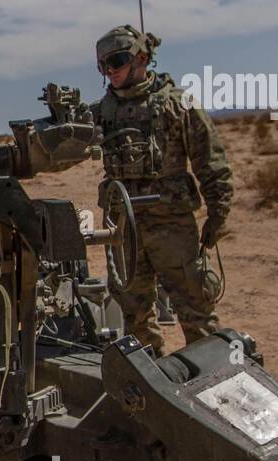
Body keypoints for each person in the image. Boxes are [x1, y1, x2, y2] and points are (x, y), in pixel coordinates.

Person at [91, 25, 233, 353]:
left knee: (196, 310)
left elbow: (211, 163)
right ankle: (148, 386)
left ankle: (209, 384)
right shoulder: (100, 114)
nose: (110, 71)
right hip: (124, 230)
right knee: (134, 315)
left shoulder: (177, 105)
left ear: (142, 58)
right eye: (103, 66)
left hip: (172, 227)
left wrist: (218, 214)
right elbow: (63, 147)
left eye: (118, 61)